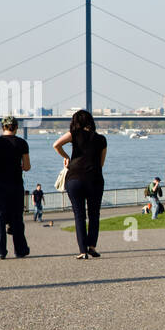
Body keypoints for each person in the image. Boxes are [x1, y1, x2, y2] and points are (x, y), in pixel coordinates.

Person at [54, 109, 107, 259]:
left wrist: (67, 157)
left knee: (79, 215)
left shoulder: (74, 134)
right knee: (94, 214)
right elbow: (101, 163)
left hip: (75, 179)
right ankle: (92, 247)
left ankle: (82, 251)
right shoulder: (101, 139)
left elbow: (56, 145)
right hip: (95, 179)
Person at [0, 116, 31, 259]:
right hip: (16, 184)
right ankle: (20, 250)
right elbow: (27, 167)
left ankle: (0, 251)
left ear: (3, 127)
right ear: (16, 127)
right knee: (17, 217)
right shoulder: (22, 143)